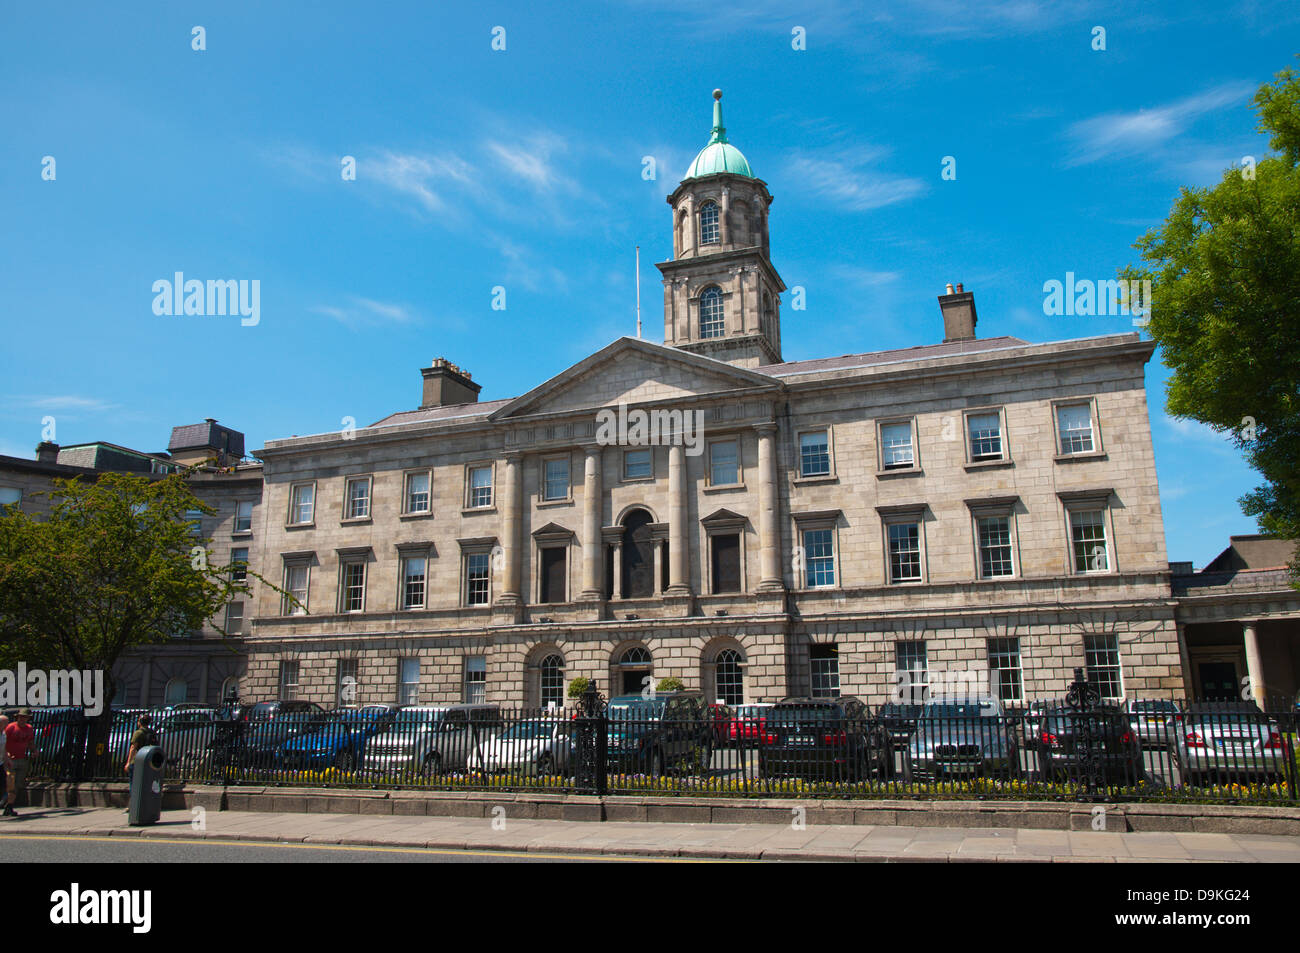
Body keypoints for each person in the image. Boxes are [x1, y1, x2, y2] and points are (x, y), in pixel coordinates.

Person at [4, 708, 35, 816]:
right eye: (21, 717)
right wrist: (6, 755)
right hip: (10, 760)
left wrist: (33, 751)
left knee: (18, 784)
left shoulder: (29, 729)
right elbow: (3, 741)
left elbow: (30, 741)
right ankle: (6, 803)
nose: (23, 719)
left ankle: (9, 805)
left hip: (21, 759)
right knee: (10, 783)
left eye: (25, 717)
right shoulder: (10, 727)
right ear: (17, 717)